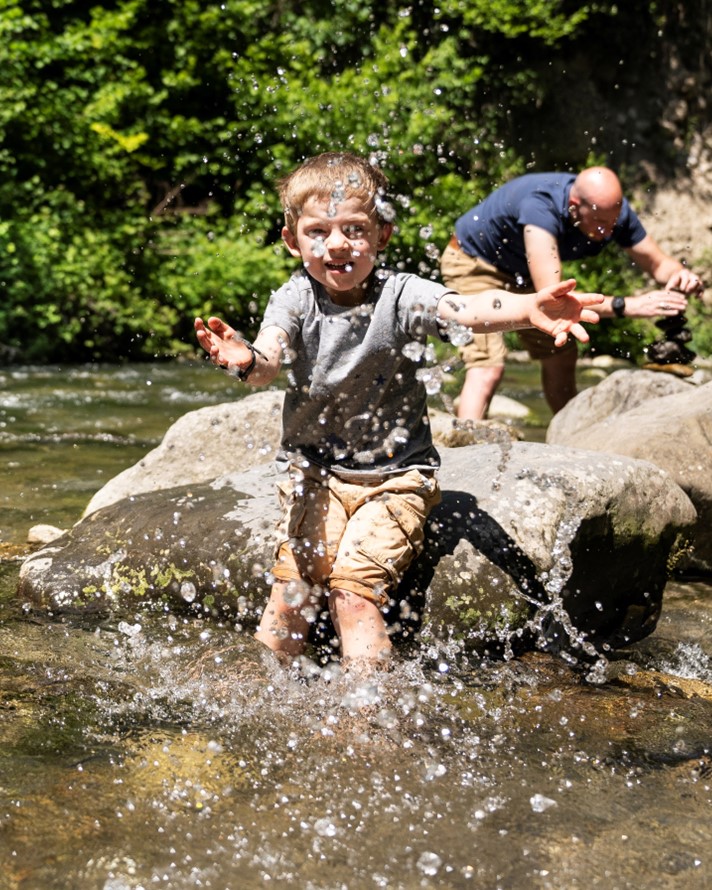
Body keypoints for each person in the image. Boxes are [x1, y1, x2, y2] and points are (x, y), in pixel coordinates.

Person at [194, 152, 603, 671]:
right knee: (292, 589)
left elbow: (468, 310)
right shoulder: (293, 300)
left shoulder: (402, 295)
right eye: (318, 231)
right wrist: (245, 359)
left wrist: (527, 309)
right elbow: (268, 362)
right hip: (313, 476)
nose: (337, 244)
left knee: (351, 594)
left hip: (396, 479)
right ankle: (256, 700)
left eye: (355, 230)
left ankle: (367, 723)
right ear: (292, 240)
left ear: (382, 235)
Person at [441, 167, 705, 419]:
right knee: (488, 365)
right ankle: (468, 449)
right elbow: (553, 299)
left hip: (526, 274)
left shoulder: (612, 212)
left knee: (561, 352)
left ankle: (568, 435)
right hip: (476, 265)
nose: (608, 232)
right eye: (601, 223)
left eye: (614, 223)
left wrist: (679, 275)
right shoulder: (541, 209)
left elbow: (658, 264)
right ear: (574, 205)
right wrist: (628, 305)